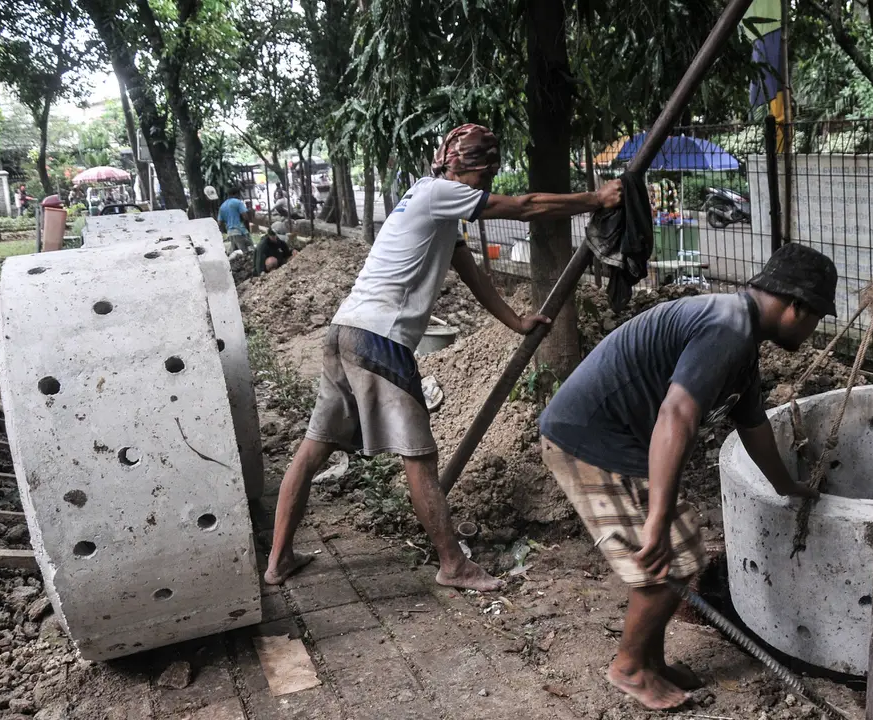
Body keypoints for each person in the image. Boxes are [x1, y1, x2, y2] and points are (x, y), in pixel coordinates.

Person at [264, 123, 623, 591]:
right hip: (379, 340)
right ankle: (453, 564)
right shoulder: (441, 194)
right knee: (420, 458)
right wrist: (596, 200)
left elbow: (470, 273)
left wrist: (516, 322)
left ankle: (278, 561)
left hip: (344, 331)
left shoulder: (428, 200)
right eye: (487, 172)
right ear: (477, 169)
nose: (487, 183)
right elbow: (526, 208)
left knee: (313, 450)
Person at [537, 243, 833, 710]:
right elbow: (677, 414)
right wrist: (655, 517)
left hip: (616, 439)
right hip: (589, 438)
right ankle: (630, 668)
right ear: (796, 306)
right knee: (671, 550)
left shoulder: (742, 338)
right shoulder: (727, 329)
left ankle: (649, 662)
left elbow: (752, 425)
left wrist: (787, 486)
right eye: (817, 318)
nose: (815, 331)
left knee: (677, 549)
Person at [217, 186, 254, 255]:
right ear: (236, 194)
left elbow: (219, 223)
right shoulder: (238, 202)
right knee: (248, 252)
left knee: (234, 253)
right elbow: (245, 216)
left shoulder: (222, 206)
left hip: (230, 232)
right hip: (240, 231)